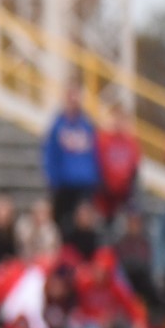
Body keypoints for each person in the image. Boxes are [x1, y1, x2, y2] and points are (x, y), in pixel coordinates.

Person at [42, 85, 100, 232]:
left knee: (84, 226)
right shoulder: (57, 125)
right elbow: (50, 153)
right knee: (62, 225)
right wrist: (53, 179)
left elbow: (95, 152)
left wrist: (95, 178)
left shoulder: (87, 124)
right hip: (64, 185)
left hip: (84, 184)